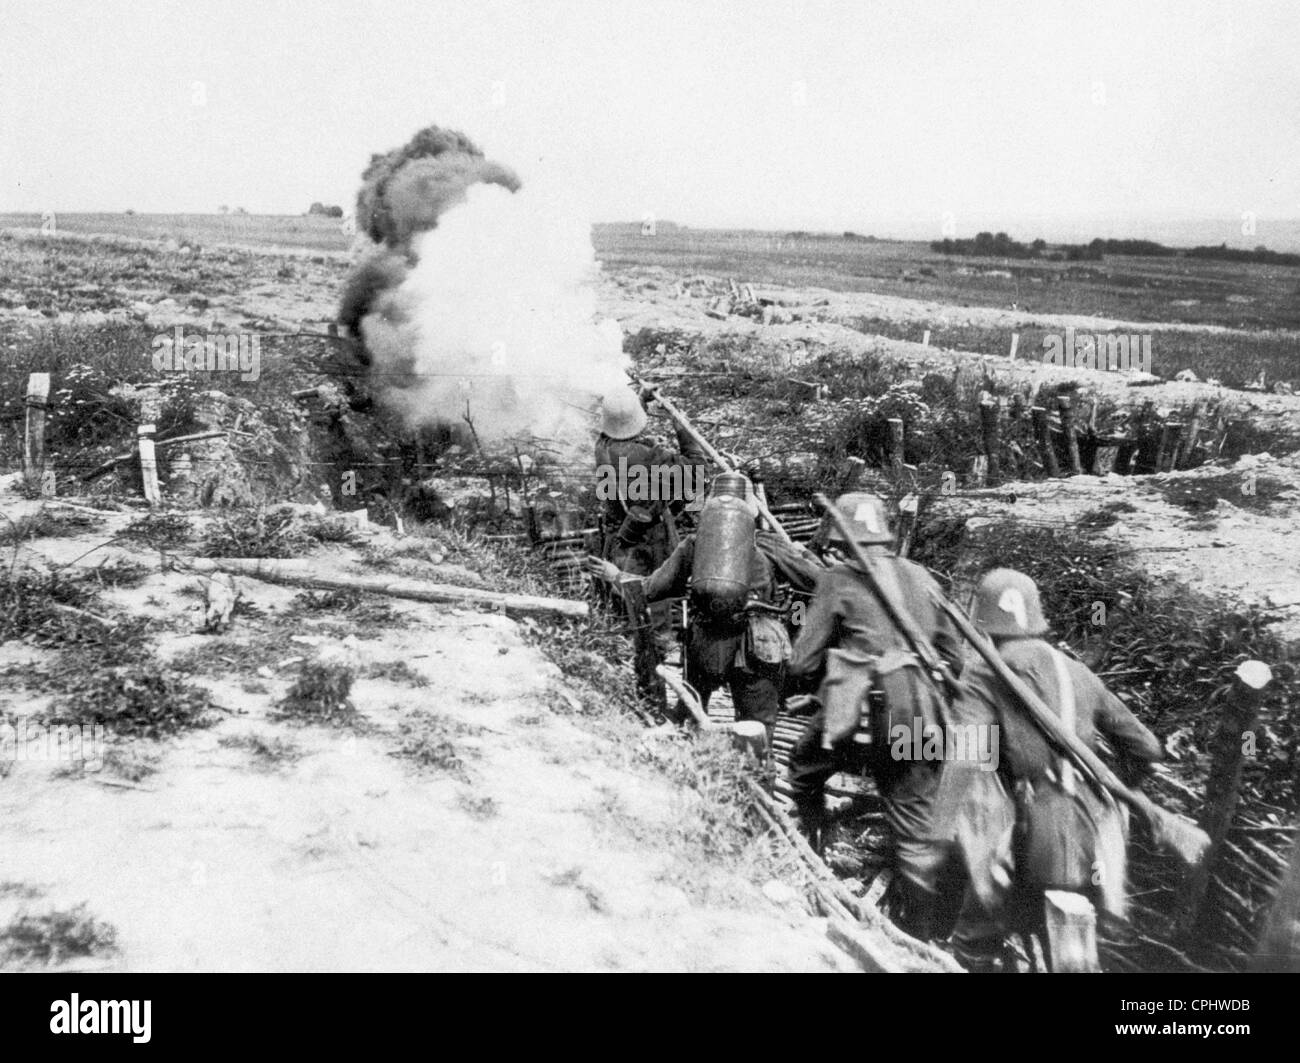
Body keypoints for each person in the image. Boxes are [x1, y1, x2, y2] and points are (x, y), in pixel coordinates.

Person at [950, 568, 1163, 971]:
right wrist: (1110, 784)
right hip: (1098, 838)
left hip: (1033, 834)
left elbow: (963, 760)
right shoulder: (1079, 673)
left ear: (984, 623)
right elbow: (1148, 748)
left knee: (972, 941)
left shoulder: (985, 672)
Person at [785, 492, 963, 936]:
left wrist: (815, 689)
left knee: (803, 769)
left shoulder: (837, 579)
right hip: (922, 713)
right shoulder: (921, 576)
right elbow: (954, 657)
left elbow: (803, 662)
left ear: (841, 537)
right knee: (912, 814)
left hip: (863, 711)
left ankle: (813, 848)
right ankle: (925, 932)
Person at [588, 473, 790, 737]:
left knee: (690, 715)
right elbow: (809, 584)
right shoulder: (770, 544)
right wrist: (794, 618)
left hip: (705, 642)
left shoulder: (695, 544)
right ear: (751, 507)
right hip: (760, 645)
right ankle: (760, 774)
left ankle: (690, 767)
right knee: (758, 727)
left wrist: (615, 575)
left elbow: (651, 589)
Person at [594, 385, 706, 653]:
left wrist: (639, 401)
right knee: (654, 598)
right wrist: (680, 424)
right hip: (649, 540)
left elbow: (621, 430)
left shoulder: (602, 448)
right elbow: (697, 471)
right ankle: (658, 657)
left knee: (624, 600)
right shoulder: (653, 457)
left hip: (618, 538)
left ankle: (627, 651)